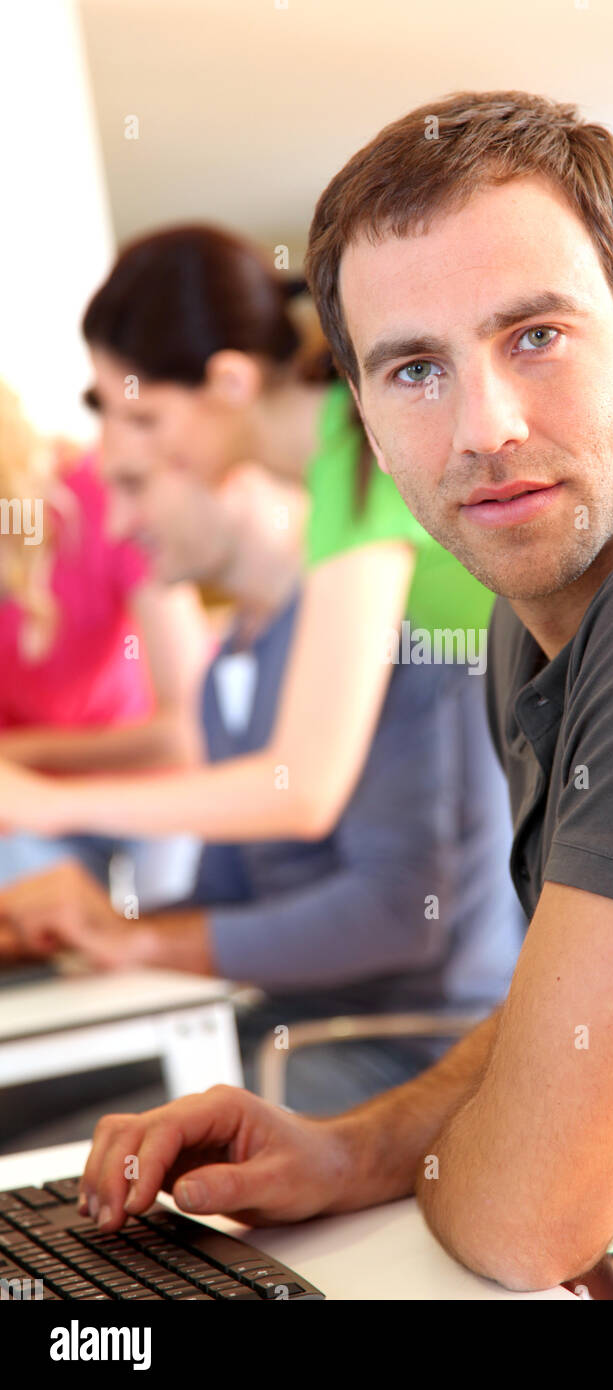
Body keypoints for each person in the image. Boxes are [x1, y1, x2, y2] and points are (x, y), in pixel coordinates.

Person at [64, 91, 613, 1301]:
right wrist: (350, 1151)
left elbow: (524, 1224)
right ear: (368, 423)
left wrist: (478, 1168)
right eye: (416, 368)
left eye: (533, 335)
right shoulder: (533, 623)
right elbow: (574, 990)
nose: (483, 428)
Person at [0, 443, 522, 1144]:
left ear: (232, 458)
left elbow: (397, 918)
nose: (118, 524)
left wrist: (140, 940)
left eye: (136, 482)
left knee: (55, 1156)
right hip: (281, 1024)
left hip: (407, 1052)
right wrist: (92, 927)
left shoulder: (403, 637)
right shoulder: (227, 669)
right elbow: (229, 893)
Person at [0, 227, 498, 857]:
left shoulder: (356, 453)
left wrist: (45, 802)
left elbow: (302, 790)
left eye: (145, 418)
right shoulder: (332, 467)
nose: (134, 450)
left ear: (231, 384)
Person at [0, 379, 209, 898]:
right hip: (35, 818)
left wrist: (19, 753)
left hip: (157, 793)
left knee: (175, 910)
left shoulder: (107, 499)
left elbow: (189, 732)